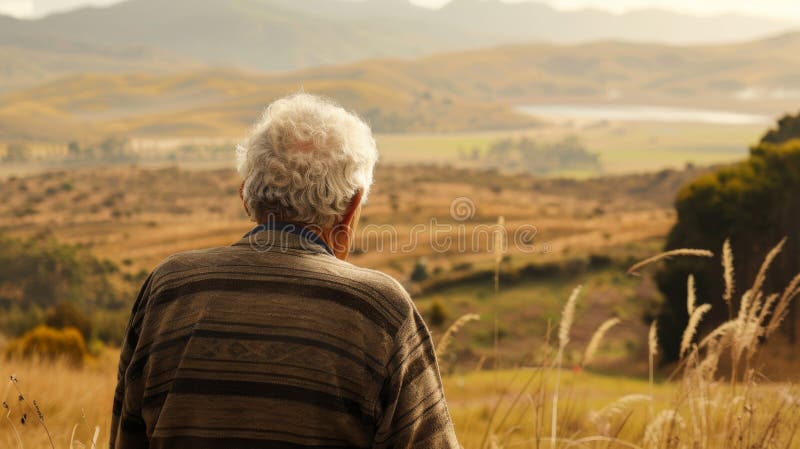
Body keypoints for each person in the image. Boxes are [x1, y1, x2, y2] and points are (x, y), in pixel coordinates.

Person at [110, 93, 459, 449]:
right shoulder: (379, 310)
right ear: (352, 208)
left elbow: (127, 439)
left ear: (246, 196)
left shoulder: (169, 288)